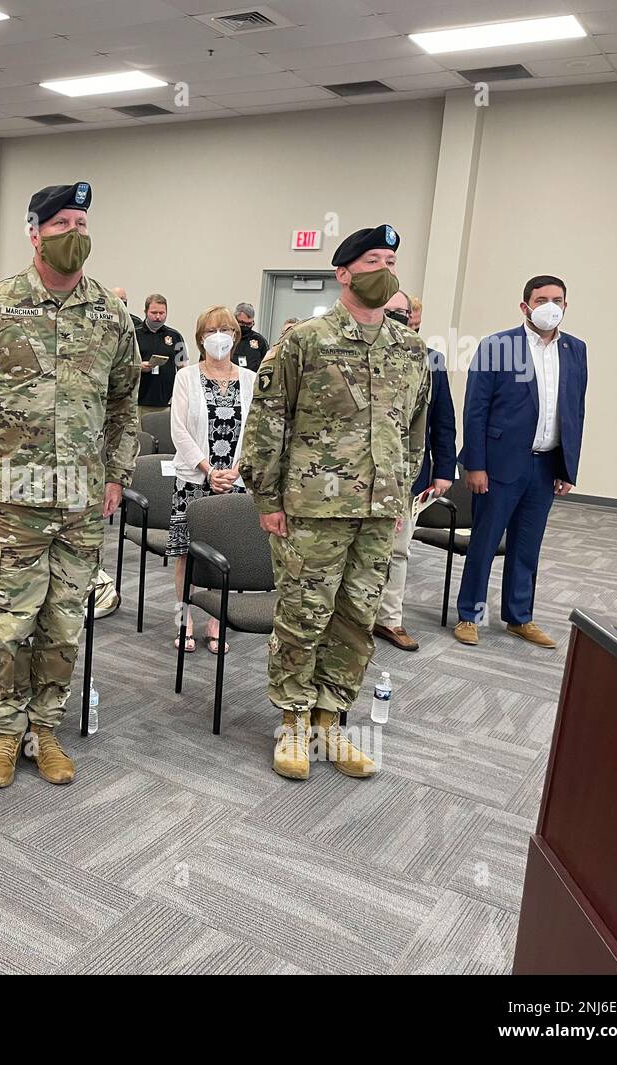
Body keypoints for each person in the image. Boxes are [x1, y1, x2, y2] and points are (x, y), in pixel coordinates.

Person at [0, 180, 140, 789]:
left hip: (81, 499)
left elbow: (127, 401)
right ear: (34, 235)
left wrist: (117, 475)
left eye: (81, 224)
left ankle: (45, 728)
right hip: (10, 500)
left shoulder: (110, 311)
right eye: (60, 226)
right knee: (10, 623)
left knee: (64, 622)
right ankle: (3, 731)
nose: (74, 235)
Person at [241, 224, 429, 782]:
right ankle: (294, 722)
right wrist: (267, 498)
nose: (384, 269)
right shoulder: (306, 342)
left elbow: (412, 429)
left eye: (391, 260)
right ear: (343, 272)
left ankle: (330, 719)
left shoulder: (410, 349)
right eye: (373, 259)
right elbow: (268, 423)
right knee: (303, 615)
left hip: (379, 510)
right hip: (311, 510)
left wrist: (402, 490)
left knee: (356, 619)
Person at [454, 275, 587, 649]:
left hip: (545, 466)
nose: (550, 306)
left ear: (566, 305)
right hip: (498, 465)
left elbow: (575, 411)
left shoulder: (575, 350)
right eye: (541, 299)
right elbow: (475, 410)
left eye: (557, 299)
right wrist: (475, 466)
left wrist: (566, 467)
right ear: (524, 305)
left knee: (527, 547)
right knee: (484, 542)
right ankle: (470, 614)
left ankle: (519, 617)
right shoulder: (498, 345)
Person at [373, 291, 457, 651]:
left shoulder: (430, 360)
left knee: (398, 550)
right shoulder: (357, 354)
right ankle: (350, 621)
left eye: (403, 312)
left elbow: (443, 419)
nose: (398, 317)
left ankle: (389, 618)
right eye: (390, 311)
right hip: (357, 478)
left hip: (408, 478)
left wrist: (444, 469)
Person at [168, 305, 254, 653]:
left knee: (225, 554)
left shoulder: (249, 379)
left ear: (236, 336)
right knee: (186, 553)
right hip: (194, 478)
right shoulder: (186, 376)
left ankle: (217, 620)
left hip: (235, 480)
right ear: (201, 337)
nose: (220, 336)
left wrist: (237, 470)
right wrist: (207, 469)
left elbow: (256, 432)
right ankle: (184, 618)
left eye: (227, 330)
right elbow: (179, 430)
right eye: (211, 330)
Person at [135, 293, 186, 417]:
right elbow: (123, 364)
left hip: (166, 403)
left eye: (162, 313)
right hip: (139, 402)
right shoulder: (134, 334)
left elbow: (182, 366)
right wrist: (139, 366)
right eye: (154, 313)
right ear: (145, 311)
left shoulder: (175, 336)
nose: (158, 317)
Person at [232, 302, 270, 371]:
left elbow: (267, 363)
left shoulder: (260, 340)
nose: (245, 326)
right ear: (235, 320)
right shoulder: (228, 338)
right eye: (242, 323)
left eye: (249, 324)